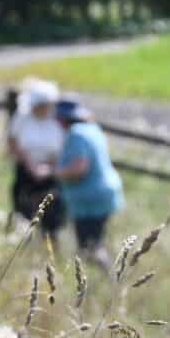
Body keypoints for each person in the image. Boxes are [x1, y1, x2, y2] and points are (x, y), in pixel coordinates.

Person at [53, 96, 123, 266]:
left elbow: (79, 169)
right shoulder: (92, 128)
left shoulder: (75, 134)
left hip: (89, 199)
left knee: (90, 247)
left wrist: (52, 172)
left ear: (62, 119)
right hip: (104, 193)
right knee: (92, 244)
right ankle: (105, 283)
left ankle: (112, 284)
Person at [7, 79, 65, 235]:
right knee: (23, 213)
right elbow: (12, 142)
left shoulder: (56, 120)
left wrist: (48, 168)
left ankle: (49, 246)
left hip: (50, 174)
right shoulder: (22, 116)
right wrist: (30, 165)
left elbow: (62, 148)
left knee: (51, 217)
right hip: (26, 171)